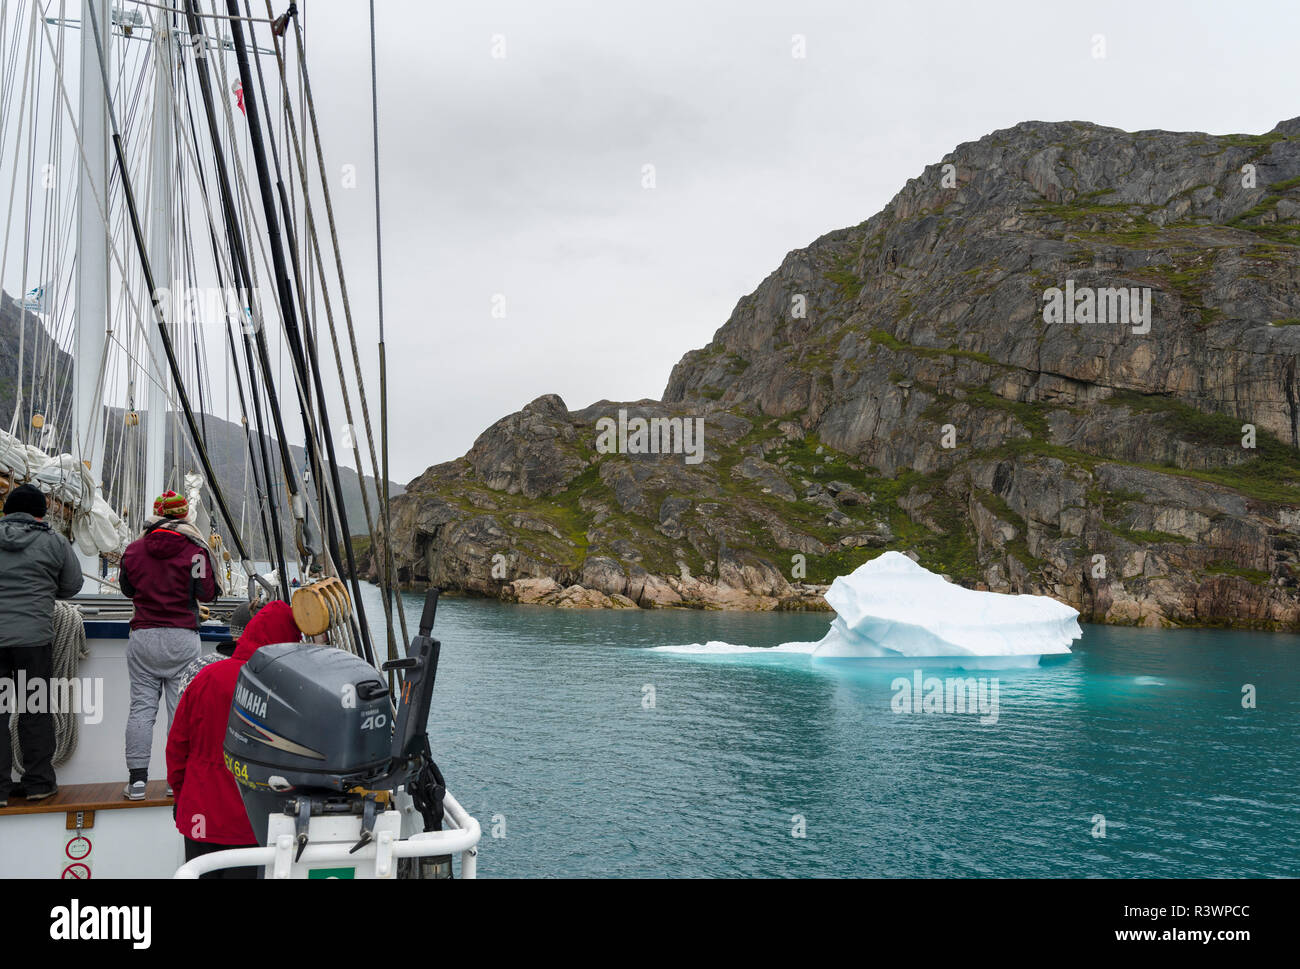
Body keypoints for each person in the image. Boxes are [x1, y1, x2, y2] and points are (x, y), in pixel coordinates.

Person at [166, 599, 301, 878]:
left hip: (199, 811)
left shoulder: (206, 677)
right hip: (251, 821)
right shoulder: (285, 691)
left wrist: (182, 797)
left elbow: (177, 747)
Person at [118, 491, 218, 800]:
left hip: (144, 636)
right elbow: (206, 594)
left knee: (141, 710)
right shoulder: (196, 553)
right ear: (184, 517)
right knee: (180, 713)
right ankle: (178, 782)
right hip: (181, 638)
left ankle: (137, 782)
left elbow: (126, 588)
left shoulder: (133, 551)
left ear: (156, 515)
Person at [0, 484, 82, 806]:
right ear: (41, 513)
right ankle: (38, 783)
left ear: (6, 511)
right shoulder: (54, 542)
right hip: (34, 639)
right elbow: (73, 585)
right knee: (35, 710)